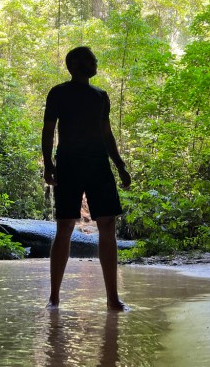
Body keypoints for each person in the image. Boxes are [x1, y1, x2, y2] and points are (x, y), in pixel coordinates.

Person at [42, 46, 132, 311]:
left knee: (107, 227)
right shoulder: (58, 93)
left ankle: (112, 298)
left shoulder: (100, 96)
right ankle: (54, 297)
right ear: (75, 64)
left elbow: (107, 135)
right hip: (68, 163)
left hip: (98, 165)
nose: (95, 62)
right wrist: (48, 164)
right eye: (91, 59)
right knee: (65, 228)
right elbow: (48, 131)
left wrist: (120, 165)